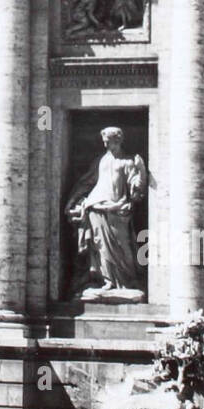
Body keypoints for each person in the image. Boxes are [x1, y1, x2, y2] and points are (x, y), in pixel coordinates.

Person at [66, 126, 147, 301]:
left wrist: (140, 170)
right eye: (104, 141)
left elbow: (136, 191)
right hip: (95, 207)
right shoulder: (100, 161)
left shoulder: (128, 162)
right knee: (99, 246)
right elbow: (88, 182)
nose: (105, 144)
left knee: (122, 246)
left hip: (118, 210)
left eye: (108, 141)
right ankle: (106, 280)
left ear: (117, 140)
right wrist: (74, 201)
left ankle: (125, 282)